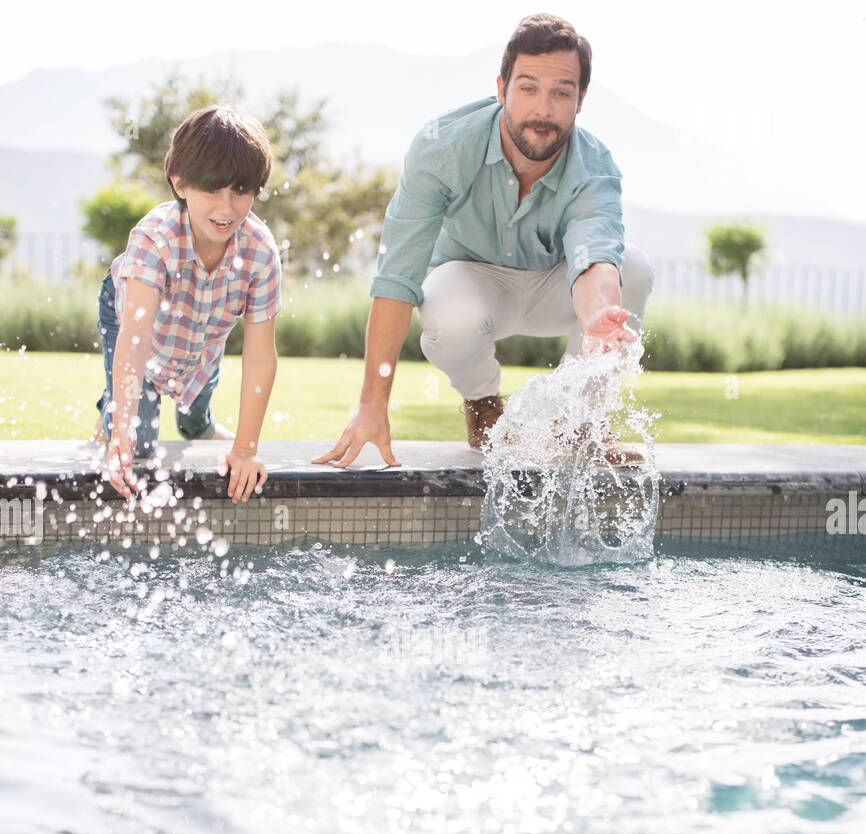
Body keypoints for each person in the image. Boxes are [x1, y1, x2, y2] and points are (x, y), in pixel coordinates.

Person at [313, 13, 654, 471]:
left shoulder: (595, 167)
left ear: (580, 100)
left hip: (557, 284)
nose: (543, 109)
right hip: (474, 281)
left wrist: (598, 319)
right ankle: (482, 405)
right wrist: (373, 404)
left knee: (633, 268)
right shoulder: (441, 148)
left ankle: (580, 424)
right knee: (446, 307)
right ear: (501, 88)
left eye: (561, 93)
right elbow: (397, 276)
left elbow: (596, 259)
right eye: (528, 88)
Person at [93, 105, 281, 503]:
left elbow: (260, 355)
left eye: (240, 191)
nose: (226, 208)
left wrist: (245, 450)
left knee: (196, 424)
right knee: (140, 446)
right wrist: (121, 432)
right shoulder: (154, 239)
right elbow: (135, 340)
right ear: (179, 183)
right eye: (212, 189)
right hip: (132, 324)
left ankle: (132, 409)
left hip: (202, 339)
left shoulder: (260, 251)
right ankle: (111, 407)